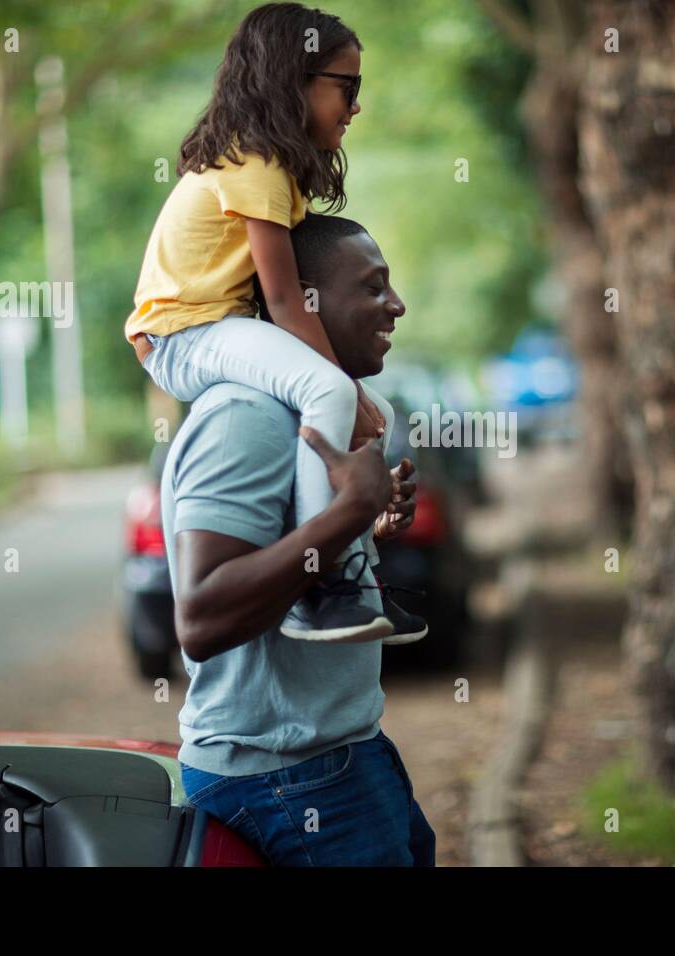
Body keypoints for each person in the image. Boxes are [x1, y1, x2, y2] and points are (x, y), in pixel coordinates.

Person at [125, 3, 422, 644]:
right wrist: (349, 392)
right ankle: (325, 589)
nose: (356, 106)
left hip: (211, 327)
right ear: (294, 83)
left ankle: (358, 575)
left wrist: (366, 433)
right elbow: (289, 303)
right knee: (333, 391)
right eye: (347, 87)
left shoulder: (272, 169)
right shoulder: (255, 164)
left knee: (378, 412)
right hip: (183, 333)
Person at [166, 213, 434, 865]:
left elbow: (294, 565)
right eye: (372, 289)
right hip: (284, 777)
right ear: (302, 301)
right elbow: (201, 617)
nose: (395, 306)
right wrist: (345, 515)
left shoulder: (324, 410)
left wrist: (367, 526)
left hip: (341, 753)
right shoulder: (245, 418)